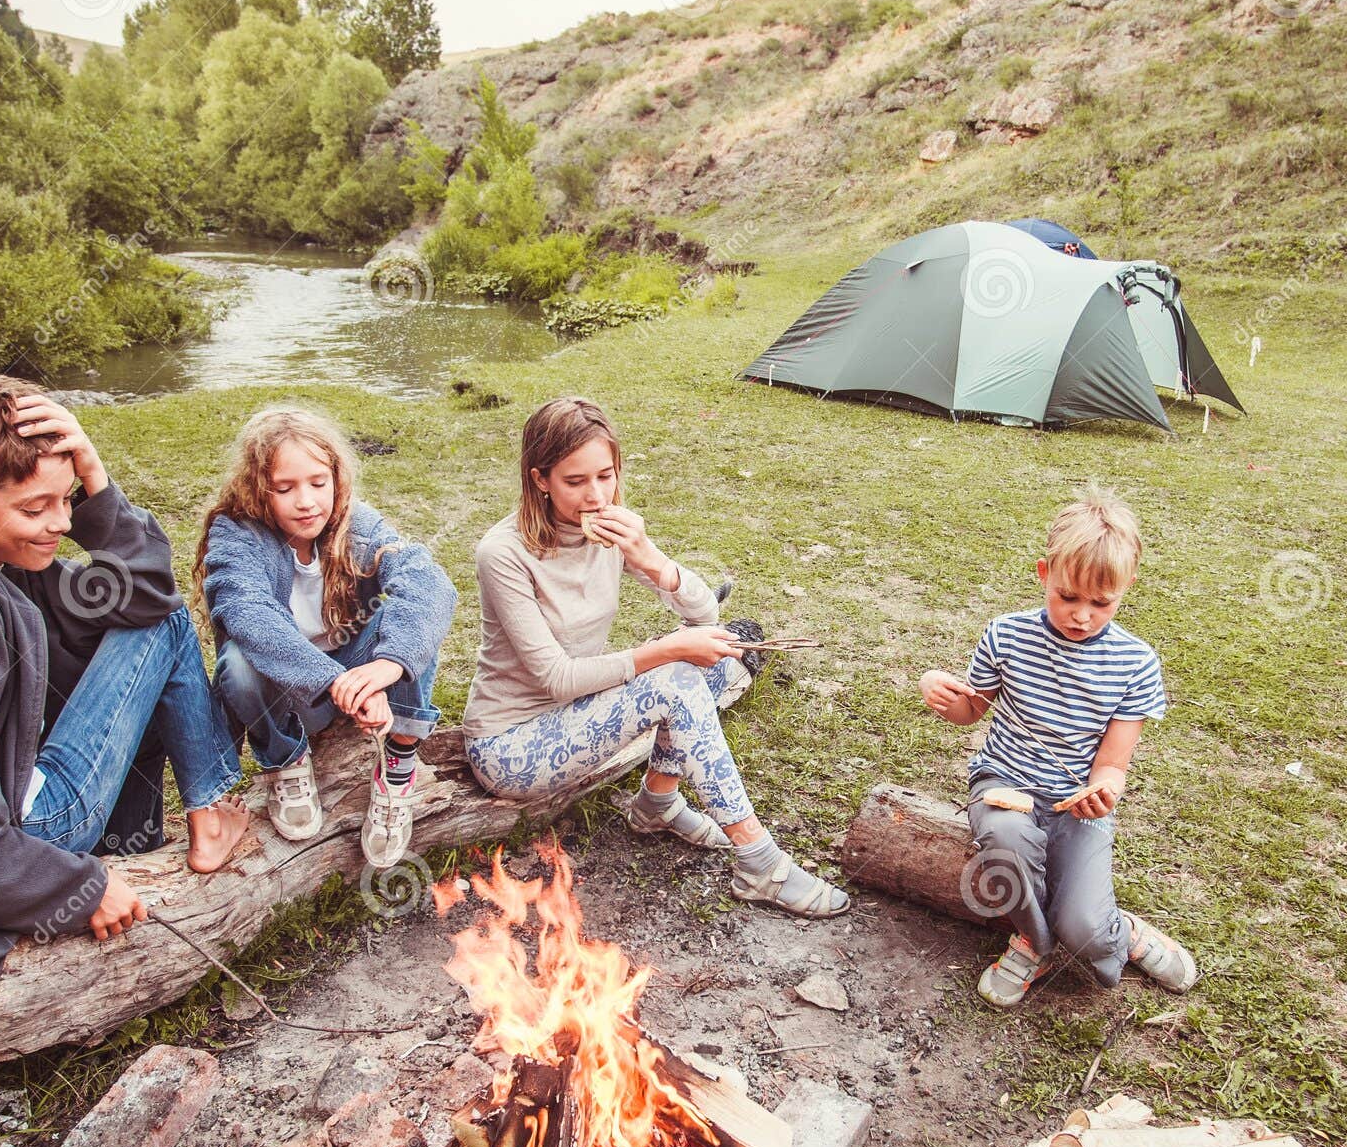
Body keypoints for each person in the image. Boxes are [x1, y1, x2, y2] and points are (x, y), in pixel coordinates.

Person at [0, 375, 249, 1005]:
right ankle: (210, 806)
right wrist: (73, 887)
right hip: (30, 835)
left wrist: (95, 472)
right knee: (169, 625)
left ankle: (205, 809)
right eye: (36, 508)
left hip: (17, 795)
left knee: (157, 615)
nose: (61, 523)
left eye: (69, 499)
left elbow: (139, 594)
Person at [461, 395, 848, 918]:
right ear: (540, 479)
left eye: (607, 475)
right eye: (576, 482)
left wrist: (649, 557)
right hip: (511, 745)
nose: (596, 495)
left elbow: (704, 612)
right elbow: (555, 678)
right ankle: (760, 862)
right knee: (675, 677)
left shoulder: (610, 530)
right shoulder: (502, 553)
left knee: (704, 664)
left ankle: (657, 802)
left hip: (580, 713)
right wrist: (662, 650)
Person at [919, 488, 1197, 1008]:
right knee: (1007, 839)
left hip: (1076, 802)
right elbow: (971, 710)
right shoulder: (1007, 634)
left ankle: (1122, 932)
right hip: (1003, 781)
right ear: (1045, 573)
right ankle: (1031, 942)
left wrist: (1104, 790)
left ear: (1125, 588)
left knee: (1087, 929)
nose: (1082, 616)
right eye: (1068, 596)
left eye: (1101, 603)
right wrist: (941, 691)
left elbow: (1113, 764)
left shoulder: (1136, 663)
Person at [195, 405, 456, 870]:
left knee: (411, 617)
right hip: (291, 694)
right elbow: (248, 614)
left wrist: (386, 667)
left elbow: (428, 581)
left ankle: (398, 765)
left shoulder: (357, 524)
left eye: (318, 483)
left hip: (357, 677)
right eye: (285, 488)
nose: (307, 501)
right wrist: (340, 683)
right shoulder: (235, 535)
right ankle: (285, 760)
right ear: (259, 489)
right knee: (237, 661)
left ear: (336, 479)